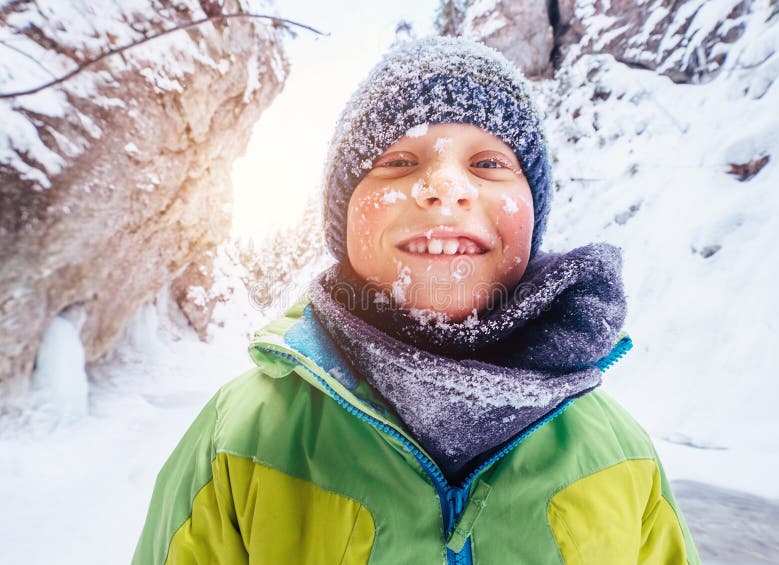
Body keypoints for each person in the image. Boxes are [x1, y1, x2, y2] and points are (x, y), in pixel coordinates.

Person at [132, 36, 701, 564]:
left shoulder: (622, 455)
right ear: (342, 219)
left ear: (535, 215)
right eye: (398, 162)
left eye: (488, 164)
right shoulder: (241, 438)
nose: (446, 188)